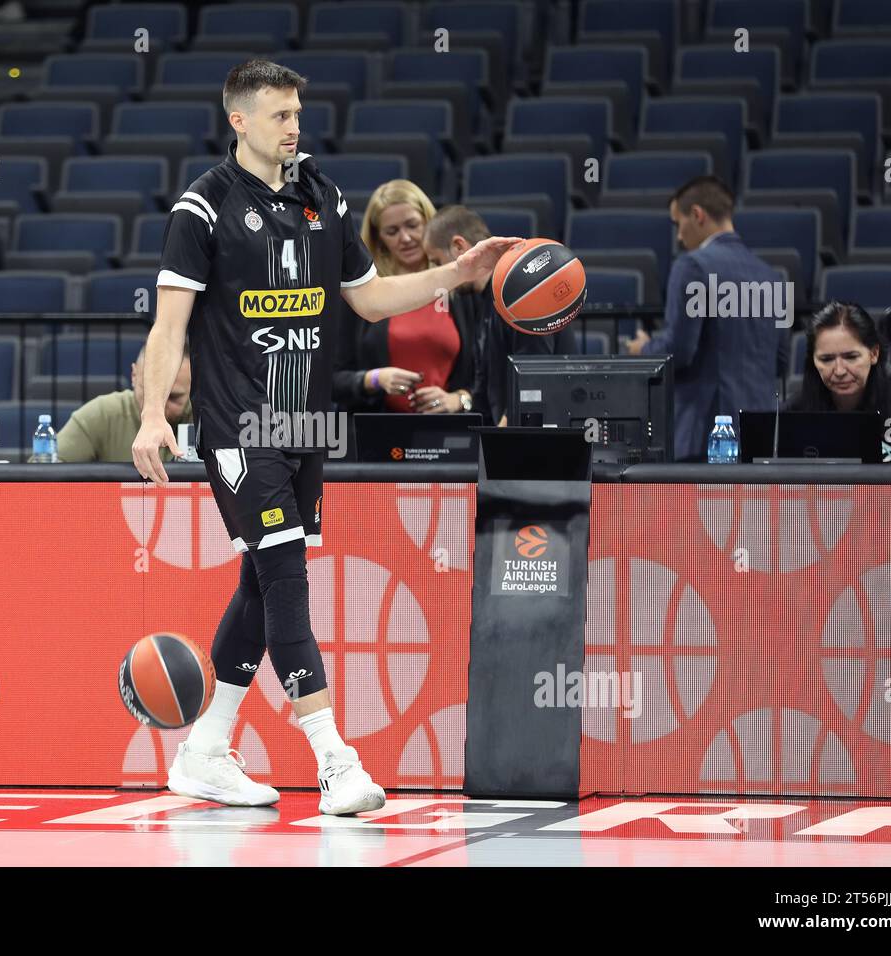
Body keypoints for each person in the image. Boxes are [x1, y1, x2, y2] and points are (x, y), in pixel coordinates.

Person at [131, 59, 518, 815]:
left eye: (297, 113)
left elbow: (370, 301)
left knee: (258, 580)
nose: (294, 126)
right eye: (279, 115)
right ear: (239, 120)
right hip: (239, 426)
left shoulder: (326, 197)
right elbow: (169, 324)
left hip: (302, 423)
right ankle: (334, 758)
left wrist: (455, 275)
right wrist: (154, 416)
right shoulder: (202, 207)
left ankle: (206, 749)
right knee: (285, 583)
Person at [627, 175, 788, 461]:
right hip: (761, 433)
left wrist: (644, 350)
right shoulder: (772, 276)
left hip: (705, 433)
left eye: (679, 224)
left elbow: (680, 350)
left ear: (697, 214)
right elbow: (781, 360)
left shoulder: (692, 267)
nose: (678, 236)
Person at [333, 182, 479, 416]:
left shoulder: (460, 285)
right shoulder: (361, 291)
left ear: (429, 223)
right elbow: (332, 380)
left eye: (413, 225)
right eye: (392, 232)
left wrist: (459, 399)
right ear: (379, 239)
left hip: (451, 429)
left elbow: (491, 375)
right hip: (378, 429)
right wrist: (373, 379)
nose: (406, 238)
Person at [423, 205, 578, 425]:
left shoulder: (521, 294)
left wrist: (501, 440)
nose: (437, 272)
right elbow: (488, 389)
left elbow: (533, 381)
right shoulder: (485, 299)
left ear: (458, 247)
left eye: (437, 262)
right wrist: (460, 400)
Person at [790, 301, 891, 464]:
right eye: (826, 359)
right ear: (813, 361)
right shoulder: (792, 414)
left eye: (851, 357)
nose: (839, 371)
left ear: (873, 354)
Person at [57, 344, 192, 462]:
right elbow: (45, 475)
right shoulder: (102, 414)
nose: (160, 406)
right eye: (150, 394)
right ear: (134, 375)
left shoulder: (207, 417)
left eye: (173, 397)